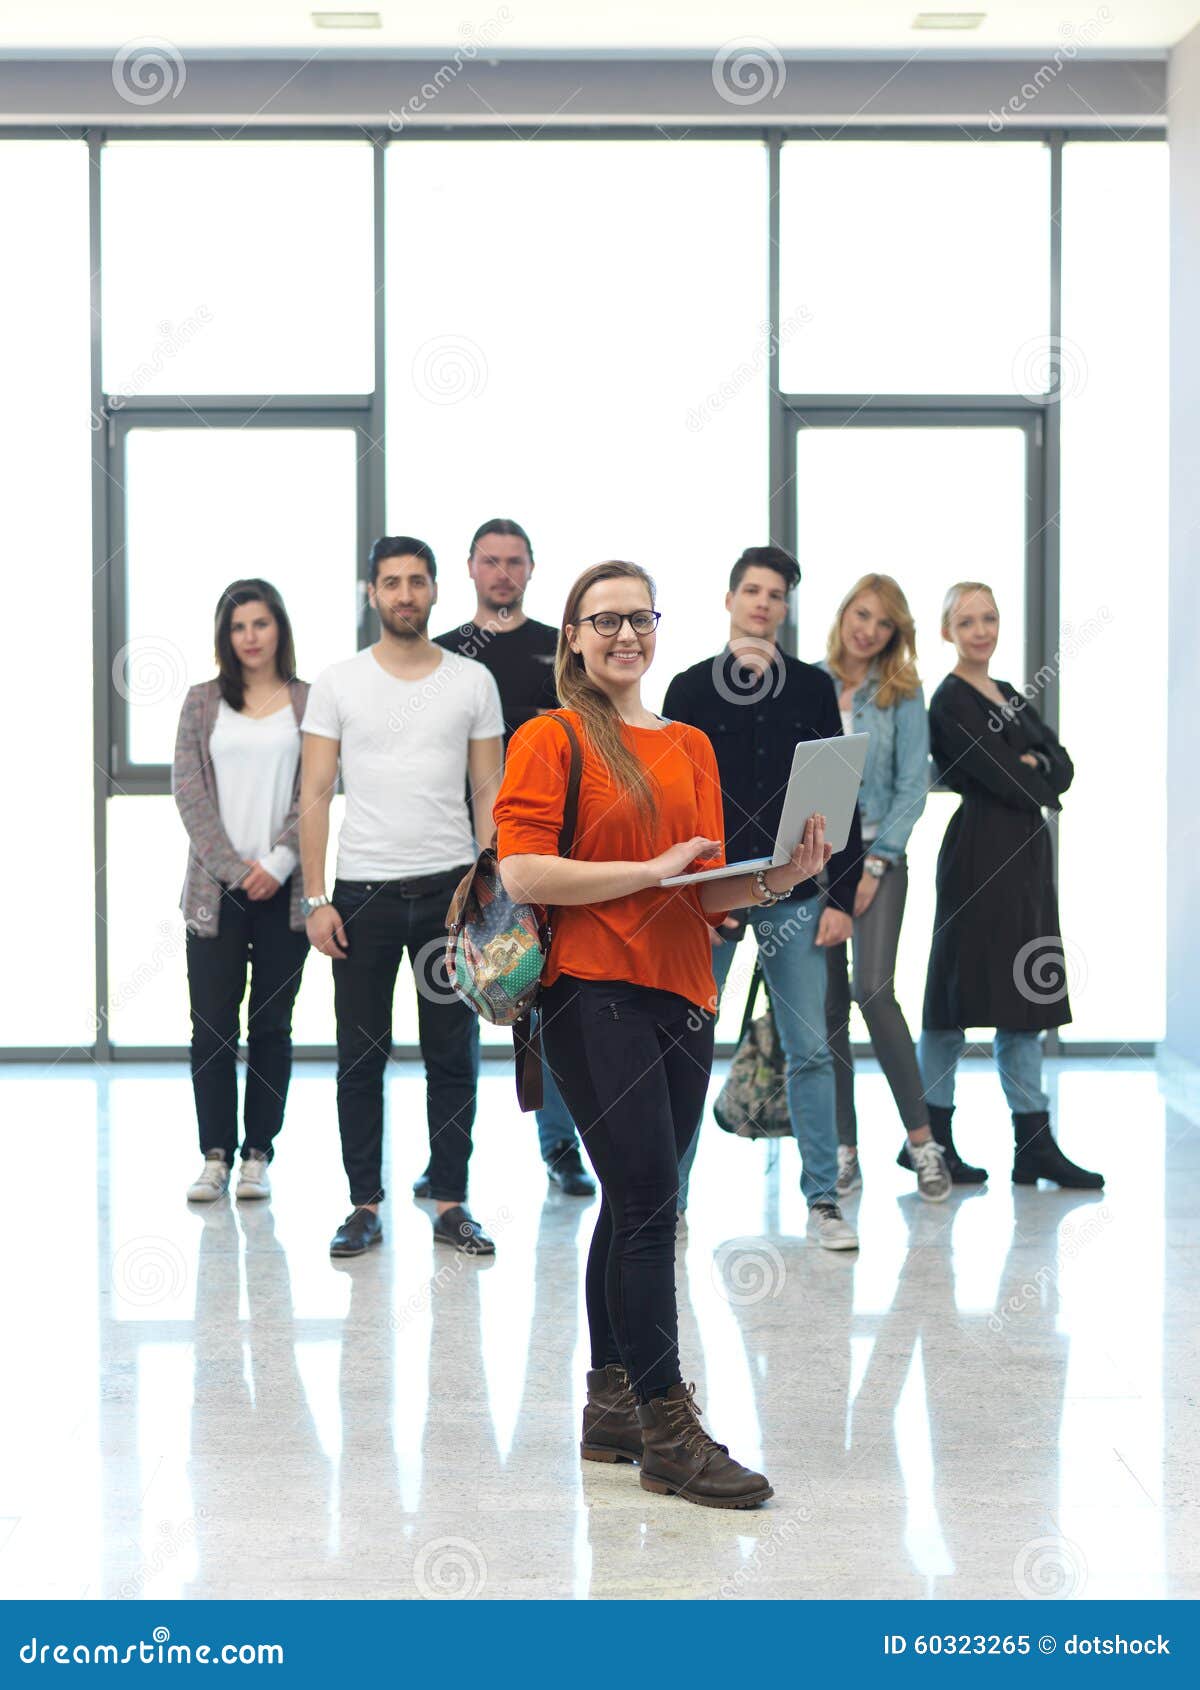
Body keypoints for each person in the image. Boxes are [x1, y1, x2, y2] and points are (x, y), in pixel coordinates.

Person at [494, 560, 830, 1507]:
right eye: (602, 621)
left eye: (638, 618)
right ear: (573, 637)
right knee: (649, 1197)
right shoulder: (551, 737)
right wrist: (646, 870)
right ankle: (667, 1427)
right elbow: (523, 874)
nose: (623, 635)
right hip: (589, 991)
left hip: (684, 991)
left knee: (634, 1197)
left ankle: (609, 1402)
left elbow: (705, 887)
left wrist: (780, 876)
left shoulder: (688, 742)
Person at [299, 536, 506, 1259]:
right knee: (360, 1058)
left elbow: (489, 794)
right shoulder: (338, 682)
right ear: (372, 594)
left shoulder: (472, 681)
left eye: (417, 581)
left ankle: (452, 1201)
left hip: (450, 896)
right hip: (360, 897)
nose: (405, 594)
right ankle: (363, 1205)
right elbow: (315, 794)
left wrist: (493, 898)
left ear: (436, 590)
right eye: (392, 582)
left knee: (455, 1055)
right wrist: (314, 897)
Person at [664, 545, 864, 1249]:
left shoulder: (812, 687)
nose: (762, 603)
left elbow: (839, 793)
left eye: (776, 594)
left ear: (785, 608)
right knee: (687, 1048)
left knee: (810, 1047)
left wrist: (840, 895)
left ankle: (823, 1204)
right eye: (752, 590)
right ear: (729, 599)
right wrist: (696, 900)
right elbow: (673, 801)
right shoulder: (688, 688)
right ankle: (671, 1203)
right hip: (711, 893)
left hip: (798, 890)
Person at [427, 517, 594, 1200]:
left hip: (544, 854)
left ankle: (561, 1147)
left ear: (531, 570)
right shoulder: (441, 658)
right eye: (490, 561)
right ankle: (448, 1156)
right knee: (462, 1002)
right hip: (458, 855)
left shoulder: (561, 653)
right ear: (469, 569)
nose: (502, 573)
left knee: (544, 1004)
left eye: (514, 562)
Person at [918, 581, 1103, 1190]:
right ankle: (932, 1140)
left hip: (1025, 863)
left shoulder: (1009, 695)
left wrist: (1032, 766)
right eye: (967, 621)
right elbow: (1000, 775)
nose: (981, 630)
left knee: (1026, 1000)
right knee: (955, 997)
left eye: (989, 618)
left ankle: (1034, 1145)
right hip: (978, 858)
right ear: (948, 631)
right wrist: (1029, 767)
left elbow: (1064, 766)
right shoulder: (948, 700)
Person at [174, 579, 311, 1204]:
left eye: (260, 623)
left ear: (279, 627)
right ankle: (214, 1154)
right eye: (238, 627)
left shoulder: (308, 702)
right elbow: (188, 792)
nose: (251, 637)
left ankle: (258, 1153)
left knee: (272, 1027)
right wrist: (234, 867)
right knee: (212, 1029)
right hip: (215, 891)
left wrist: (280, 861)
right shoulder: (203, 702)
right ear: (225, 638)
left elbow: (317, 788)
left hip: (284, 889)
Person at [819, 574, 953, 1201]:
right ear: (845, 613)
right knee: (824, 1009)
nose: (867, 629)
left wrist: (875, 866)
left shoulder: (902, 693)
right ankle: (843, 1151)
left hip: (878, 856)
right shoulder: (810, 682)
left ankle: (923, 1143)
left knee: (873, 991)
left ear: (894, 635)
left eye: (882, 623)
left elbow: (911, 786)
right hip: (815, 862)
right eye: (861, 614)